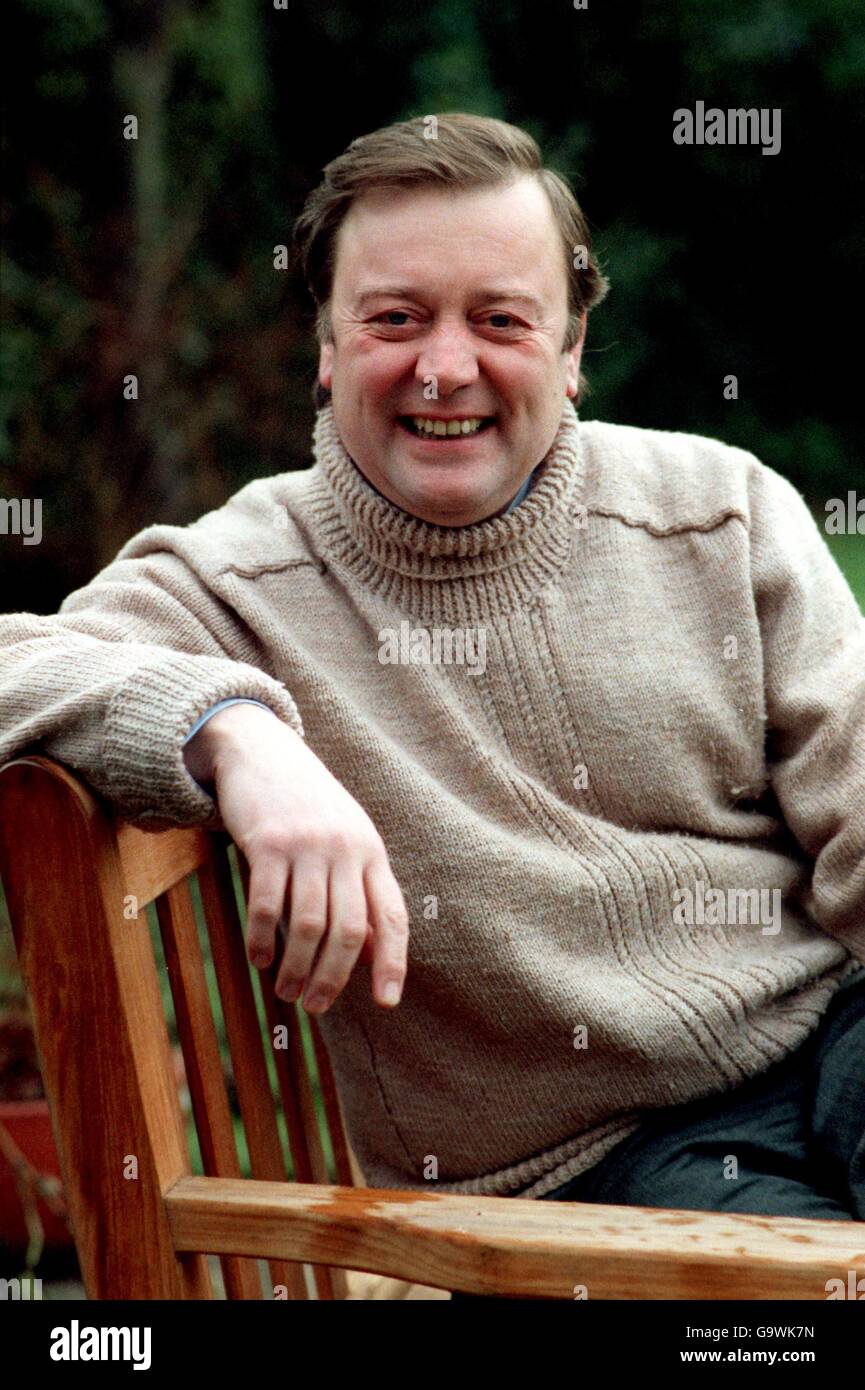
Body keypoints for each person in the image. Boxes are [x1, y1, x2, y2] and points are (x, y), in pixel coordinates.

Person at [1, 117, 863, 1296]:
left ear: (570, 349)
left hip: (838, 1035)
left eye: (498, 320)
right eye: (394, 318)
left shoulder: (719, 510)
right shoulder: (243, 578)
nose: (443, 367)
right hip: (594, 1173)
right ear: (325, 345)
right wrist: (237, 735)